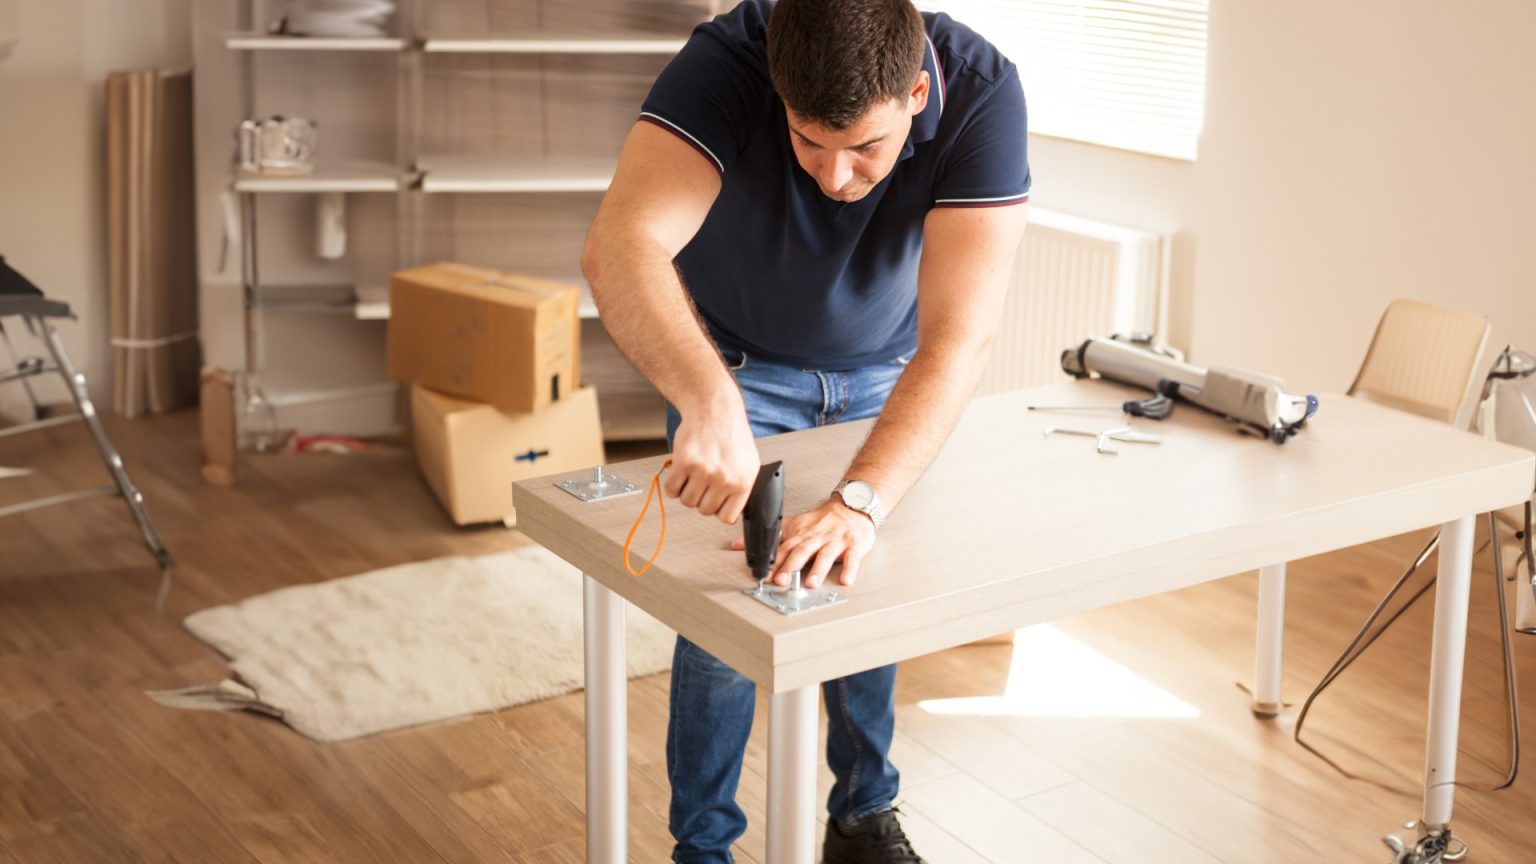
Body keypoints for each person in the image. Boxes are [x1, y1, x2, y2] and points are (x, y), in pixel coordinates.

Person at [581, 0, 1030, 860]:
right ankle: (703, 849)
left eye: (865, 147)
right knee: (724, 623)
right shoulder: (725, 61)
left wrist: (859, 503)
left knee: (861, 588)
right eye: (807, 141)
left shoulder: (983, 90)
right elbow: (620, 246)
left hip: (885, 372)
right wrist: (711, 402)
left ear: (918, 89)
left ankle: (863, 815)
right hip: (736, 370)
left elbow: (960, 338)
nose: (834, 177)